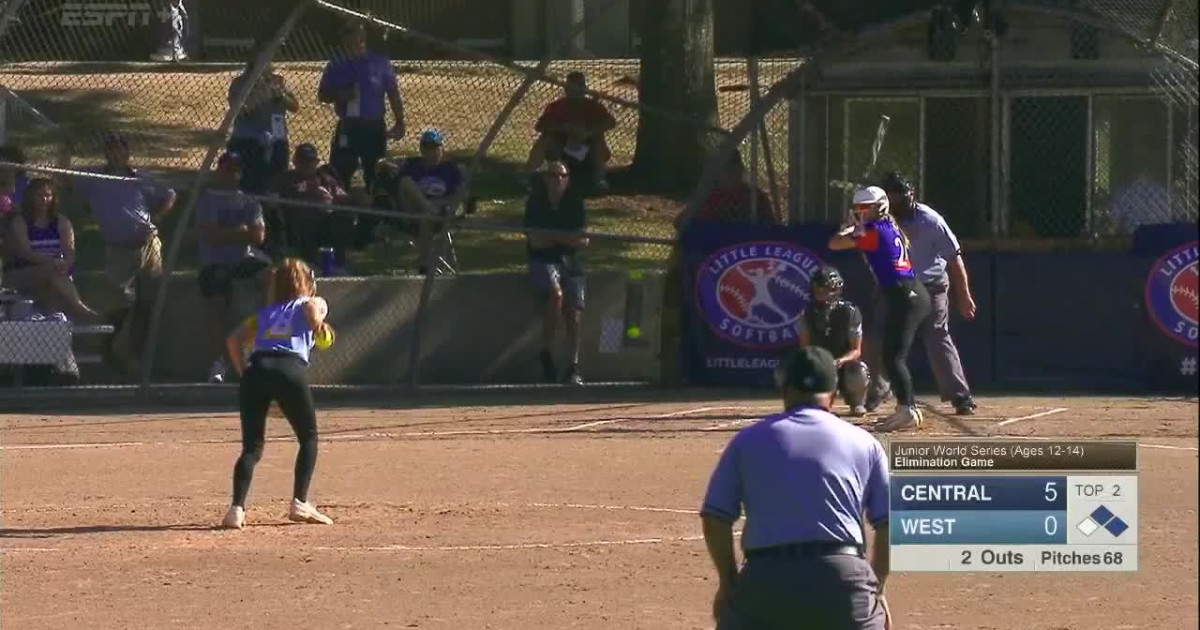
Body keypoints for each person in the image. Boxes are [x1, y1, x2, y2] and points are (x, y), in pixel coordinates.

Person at [701, 346, 892, 630]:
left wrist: (728, 583)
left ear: (785, 391)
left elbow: (715, 516)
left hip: (766, 581)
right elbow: (891, 524)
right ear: (834, 395)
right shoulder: (865, 443)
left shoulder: (747, 441)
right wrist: (876, 587)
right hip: (843, 579)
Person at [221, 258, 335, 530]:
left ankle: (236, 510)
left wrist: (243, 370)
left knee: (252, 447)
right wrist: (318, 325)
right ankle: (300, 502)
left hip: (256, 370)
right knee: (308, 437)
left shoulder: (264, 313)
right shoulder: (311, 301)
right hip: (288, 368)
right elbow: (311, 308)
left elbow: (232, 339)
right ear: (306, 283)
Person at [63, 132, 177, 373]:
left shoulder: (141, 178)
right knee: (120, 302)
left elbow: (170, 194)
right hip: (118, 249)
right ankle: (110, 349)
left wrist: (156, 216)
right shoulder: (95, 179)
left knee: (147, 302)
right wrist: (67, 150)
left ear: (127, 153)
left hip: (148, 244)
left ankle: (137, 357)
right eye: (111, 149)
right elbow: (65, 179)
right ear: (106, 153)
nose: (115, 153)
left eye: (120, 149)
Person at [870, 172, 978, 416]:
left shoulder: (930, 220)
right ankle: (877, 392)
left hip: (931, 285)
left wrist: (964, 296)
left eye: (902, 196)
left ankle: (960, 396)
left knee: (937, 335)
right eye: (891, 198)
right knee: (880, 337)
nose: (897, 202)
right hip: (895, 287)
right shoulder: (877, 220)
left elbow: (954, 257)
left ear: (912, 196)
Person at [828, 186, 931, 432]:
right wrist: (856, 228)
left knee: (893, 357)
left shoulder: (874, 232)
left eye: (866, 208)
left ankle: (907, 410)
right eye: (858, 208)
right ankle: (907, 408)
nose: (861, 212)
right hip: (908, 293)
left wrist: (847, 227)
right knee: (891, 354)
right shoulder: (885, 227)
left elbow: (835, 243)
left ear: (880, 207)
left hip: (905, 295)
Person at [195, 152, 270, 383]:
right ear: (219, 170)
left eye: (235, 170)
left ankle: (263, 353)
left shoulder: (248, 201)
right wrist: (242, 232)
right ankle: (219, 363)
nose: (231, 174)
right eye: (227, 169)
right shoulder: (207, 199)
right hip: (214, 261)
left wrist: (233, 234)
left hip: (243, 259)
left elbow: (258, 237)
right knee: (217, 306)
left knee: (272, 278)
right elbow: (212, 236)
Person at [318, 22, 405, 193]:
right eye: (346, 42)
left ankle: (373, 210)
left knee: (374, 173)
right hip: (347, 126)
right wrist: (340, 95)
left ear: (363, 40)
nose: (350, 46)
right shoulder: (336, 64)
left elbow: (393, 93)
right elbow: (322, 95)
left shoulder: (379, 63)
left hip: (373, 126)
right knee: (339, 172)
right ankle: (341, 209)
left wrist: (400, 121)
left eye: (355, 41)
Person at [1, 177, 101, 324]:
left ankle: (53, 331)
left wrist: (66, 264)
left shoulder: (61, 222)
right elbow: (26, 253)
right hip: (23, 274)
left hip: (55, 275)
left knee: (54, 290)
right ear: (31, 197)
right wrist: (53, 263)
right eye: (39, 195)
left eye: (48, 195)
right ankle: (82, 310)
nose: (44, 199)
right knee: (54, 274)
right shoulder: (21, 221)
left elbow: (69, 251)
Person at [523, 160, 588, 385]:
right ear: (545, 179)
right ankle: (546, 354)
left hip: (572, 262)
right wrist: (564, 237)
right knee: (556, 294)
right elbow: (535, 241)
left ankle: (573, 365)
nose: (557, 180)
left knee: (574, 310)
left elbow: (582, 240)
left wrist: (551, 236)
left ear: (568, 179)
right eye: (552, 176)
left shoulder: (575, 203)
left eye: (562, 176)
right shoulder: (536, 203)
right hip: (543, 260)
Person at [373, 129, 466, 275]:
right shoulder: (412, 165)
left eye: (434, 147)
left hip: (439, 213)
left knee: (425, 217)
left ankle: (424, 264)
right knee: (405, 181)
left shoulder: (450, 169)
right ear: (421, 149)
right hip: (411, 211)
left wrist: (439, 204)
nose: (430, 151)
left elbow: (458, 195)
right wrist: (390, 163)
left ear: (441, 149)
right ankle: (428, 208)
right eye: (426, 147)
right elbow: (381, 166)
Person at [524, 71, 615, 195]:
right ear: (566, 89)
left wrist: (589, 132)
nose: (576, 90)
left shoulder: (593, 106)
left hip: (587, 150)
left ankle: (600, 181)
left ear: (584, 88)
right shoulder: (557, 106)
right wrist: (565, 127)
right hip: (562, 149)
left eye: (580, 86)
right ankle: (527, 177)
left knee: (598, 138)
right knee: (545, 139)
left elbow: (611, 122)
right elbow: (540, 125)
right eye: (572, 87)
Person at [270, 143, 356, 273]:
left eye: (311, 162)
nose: (308, 165)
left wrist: (350, 198)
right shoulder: (285, 179)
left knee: (344, 217)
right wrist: (304, 188)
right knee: (306, 217)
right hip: (299, 223)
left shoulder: (325, 177)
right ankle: (311, 261)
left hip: (327, 220)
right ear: (295, 162)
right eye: (304, 162)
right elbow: (273, 202)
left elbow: (341, 196)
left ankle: (339, 264)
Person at [798, 266, 870, 417]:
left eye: (826, 289)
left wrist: (838, 361)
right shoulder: (806, 312)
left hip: (844, 363)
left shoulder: (850, 311)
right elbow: (805, 348)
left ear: (836, 290)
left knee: (858, 370)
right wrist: (817, 363)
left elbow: (856, 350)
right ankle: (816, 400)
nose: (821, 294)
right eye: (818, 289)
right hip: (821, 362)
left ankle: (857, 402)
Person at [227, 59, 300, 195]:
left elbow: (295, 106)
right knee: (250, 183)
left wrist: (281, 96)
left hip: (277, 137)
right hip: (249, 140)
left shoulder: (278, 81)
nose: (266, 67)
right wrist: (258, 96)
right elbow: (237, 110)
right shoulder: (240, 83)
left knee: (276, 181)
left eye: (268, 63)